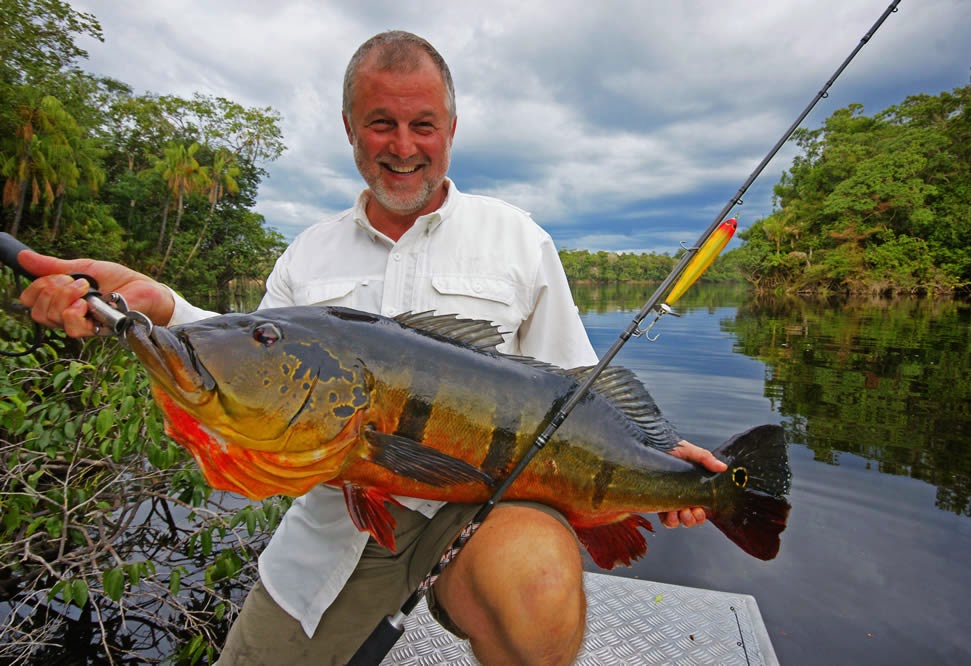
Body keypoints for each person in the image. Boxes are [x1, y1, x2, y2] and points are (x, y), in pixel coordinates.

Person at [19, 31, 726, 666]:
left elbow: (578, 391)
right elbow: (261, 362)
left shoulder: (519, 239)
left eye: (423, 124)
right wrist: (158, 304)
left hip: (485, 513)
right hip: (338, 530)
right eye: (381, 123)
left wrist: (665, 459)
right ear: (351, 129)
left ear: (451, 128)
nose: (403, 145)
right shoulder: (309, 253)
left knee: (539, 582)